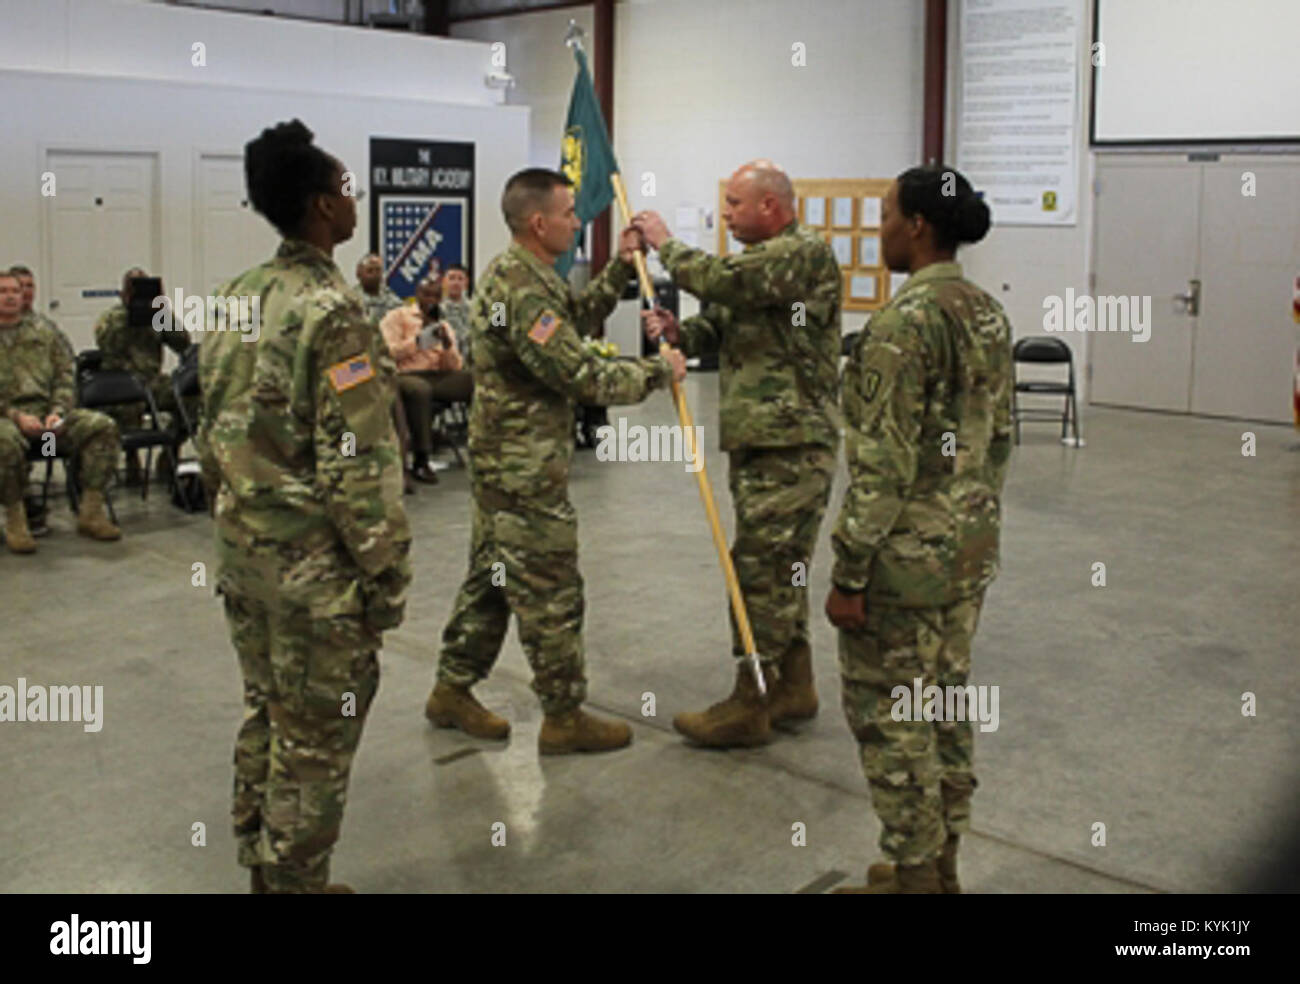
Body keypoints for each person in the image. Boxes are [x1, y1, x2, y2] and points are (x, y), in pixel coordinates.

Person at [197, 119, 411, 894]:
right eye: (347, 190)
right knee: (316, 737)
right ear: (323, 207)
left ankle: (265, 871)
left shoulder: (233, 298)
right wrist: (386, 575)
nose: (355, 202)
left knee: (267, 712)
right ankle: (297, 884)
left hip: (245, 561)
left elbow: (209, 429)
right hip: (315, 577)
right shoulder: (335, 311)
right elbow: (357, 463)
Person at [425, 167, 687, 754]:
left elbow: (576, 319)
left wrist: (621, 266)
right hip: (523, 473)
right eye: (570, 213)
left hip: (508, 466)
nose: (577, 221)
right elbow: (579, 373)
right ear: (539, 222)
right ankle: (564, 715)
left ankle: (451, 688)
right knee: (551, 589)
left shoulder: (528, 277)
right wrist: (656, 371)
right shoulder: (521, 290)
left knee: (491, 582)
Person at [824, 165, 1012, 894]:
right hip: (966, 552)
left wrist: (848, 574)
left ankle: (912, 877)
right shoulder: (988, 312)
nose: (879, 229)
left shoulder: (902, 325)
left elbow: (882, 470)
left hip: (901, 566)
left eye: (886, 216)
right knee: (946, 705)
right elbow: (999, 442)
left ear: (918, 227)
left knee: (894, 721)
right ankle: (942, 864)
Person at [635, 159, 842, 748]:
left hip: (792, 442)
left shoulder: (801, 253)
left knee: (758, 568)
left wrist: (666, 246)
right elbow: (721, 326)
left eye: (733, 204)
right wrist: (677, 331)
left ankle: (751, 700)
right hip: (761, 440)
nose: (725, 214)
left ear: (770, 208)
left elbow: (727, 283)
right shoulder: (758, 265)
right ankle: (793, 686)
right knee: (777, 568)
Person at [0, 270, 121, 552]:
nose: (9, 297)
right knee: (4, 442)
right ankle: (16, 519)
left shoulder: (45, 332)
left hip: (48, 424)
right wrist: (16, 417)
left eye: (15, 292)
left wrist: (57, 412)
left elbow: (66, 375)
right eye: (2, 291)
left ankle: (91, 510)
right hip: (7, 418)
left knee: (101, 426)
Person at [93, 267, 191, 484]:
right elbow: (107, 345)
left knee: (189, 399)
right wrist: (130, 314)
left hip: (153, 381)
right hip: (122, 385)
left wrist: (163, 314)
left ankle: (171, 452)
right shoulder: (111, 319)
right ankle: (131, 459)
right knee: (129, 406)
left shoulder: (158, 316)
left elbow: (183, 343)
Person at [379, 276, 472, 483]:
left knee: (473, 380)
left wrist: (447, 345)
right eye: (426, 294)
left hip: (436, 376)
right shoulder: (397, 316)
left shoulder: (444, 324)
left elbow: (453, 367)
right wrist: (417, 341)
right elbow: (386, 353)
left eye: (436, 296)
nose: (430, 299)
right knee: (420, 391)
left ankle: (484, 442)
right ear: (416, 294)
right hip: (404, 375)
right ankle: (421, 460)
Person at [9, 265, 75, 360]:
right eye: (20, 286)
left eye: (29, 286)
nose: (26, 291)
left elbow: (66, 357)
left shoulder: (45, 326)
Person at [355, 253, 402, 326]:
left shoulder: (390, 296)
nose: (375, 274)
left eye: (378, 270)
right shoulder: (352, 298)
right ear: (358, 274)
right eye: (370, 271)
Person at [440, 262, 473, 364]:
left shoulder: (476, 308)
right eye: (451, 278)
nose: (456, 282)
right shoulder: (436, 309)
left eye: (460, 279)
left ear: (466, 283)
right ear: (443, 282)